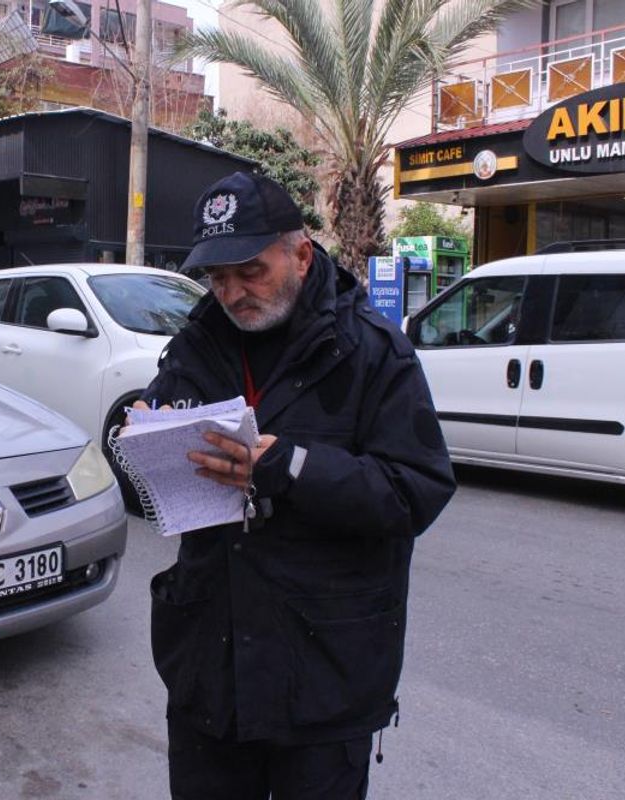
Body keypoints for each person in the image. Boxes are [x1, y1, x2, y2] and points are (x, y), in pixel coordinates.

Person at [135, 172, 456, 799]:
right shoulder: (197, 345)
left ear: (301, 255)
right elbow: (156, 427)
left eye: (250, 271)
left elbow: (415, 489)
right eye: (218, 278)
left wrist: (291, 467)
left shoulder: (371, 351)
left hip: (323, 675)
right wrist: (145, 441)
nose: (232, 293)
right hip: (210, 668)